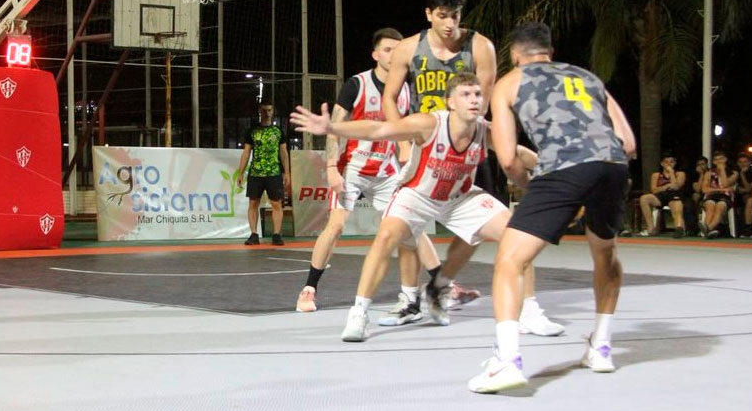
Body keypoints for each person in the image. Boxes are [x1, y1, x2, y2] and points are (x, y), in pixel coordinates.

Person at [292, 73, 558, 342]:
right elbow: (378, 130)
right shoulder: (429, 124)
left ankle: (530, 311)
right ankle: (359, 312)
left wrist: (555, 174)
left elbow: (519, 154)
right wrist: (332, 129)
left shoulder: (485, 130)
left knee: (519, 233)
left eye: (478, 94)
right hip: (417, 195)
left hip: (459, 196)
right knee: (385, 237)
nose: (474, 100)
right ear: (450, 102)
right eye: (466, 94)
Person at [468, 21, 636, 393]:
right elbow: (628, 143)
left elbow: (509, 158)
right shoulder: (588, 78)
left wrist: (533, 187)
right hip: (611, 166)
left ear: (514, 54)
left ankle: (507, 361)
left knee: (510, 260)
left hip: (562, 168)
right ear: (550, 51)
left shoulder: (510, 83)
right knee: (605, 255)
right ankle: (601, 347)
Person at [380, 0, 490, 321]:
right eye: (442, 16)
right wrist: (401, 141)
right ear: (428, 14)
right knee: (406, 226)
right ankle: (410, 299)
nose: (450, 23)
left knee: (483, 225)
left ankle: (442, 283)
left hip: (465, 148)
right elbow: (389, 97)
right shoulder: (410, 48)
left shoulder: (480, 46)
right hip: (423, 147)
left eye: (455, 16)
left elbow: (485, 101)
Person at [295, 28, 413, 313]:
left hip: (387, 170)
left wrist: (409, 166)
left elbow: (406, 133)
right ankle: (308, 291)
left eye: (397, 49)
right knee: (335, 227)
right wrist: (332, 168)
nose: (392, 54)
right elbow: (334, 129)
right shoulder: (357, 84)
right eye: (387, 49)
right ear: (375, 54)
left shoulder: (407, 88)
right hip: (352, 168)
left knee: (407, 228)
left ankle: (425, 289)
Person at [236, 101, 290, 246]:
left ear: (273, 112)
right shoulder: (252, 131)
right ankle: (254, 234)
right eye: (264, 110)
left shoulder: (278, 131)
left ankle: (276, 235)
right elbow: (246, 152)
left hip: (274, 173)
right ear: (260, 112)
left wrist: (287, 172)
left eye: (270, 110)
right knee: (253, 203)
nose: (267, 113)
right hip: (255, 173)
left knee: (276, 204)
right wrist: (240, 173)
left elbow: (283, 152)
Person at [637, 153, 686, 238]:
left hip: (674, 195)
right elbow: (654, 190)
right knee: (644, 198)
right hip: (660, 197)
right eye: (666, 162)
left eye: (671, 162)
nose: (669, 164)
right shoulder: (656, 175)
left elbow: (676, 186)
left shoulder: (680, 174)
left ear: (675, 163)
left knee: (676, 209)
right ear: (662, 164)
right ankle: (651, 228)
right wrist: (666, 186)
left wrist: (671, 172)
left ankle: (679, 228)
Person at [699, 151, 737, 239]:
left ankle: (708, 228)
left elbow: (725, 183)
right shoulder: (709, 173)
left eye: (721, 159)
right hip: (711, 196)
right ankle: (708, 230)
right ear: (713, 162)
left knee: (719, 206)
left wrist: (723, 170)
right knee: (710, 206)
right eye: (716, 160)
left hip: (725, 197)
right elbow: (704, 189)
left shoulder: (733, 173)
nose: (719, 162)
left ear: (726, 160)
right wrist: (721, 189)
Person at [733, 152, 752, 236]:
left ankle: (748, 230)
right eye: (741, 162)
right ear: (737, 163)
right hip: (736, 197)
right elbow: (734, 188)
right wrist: (739, 189)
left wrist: (742, 174)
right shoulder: (734, 172)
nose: (743, 164)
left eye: (745, 162)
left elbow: (748, 189)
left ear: (749, 162)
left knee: (747, 198)